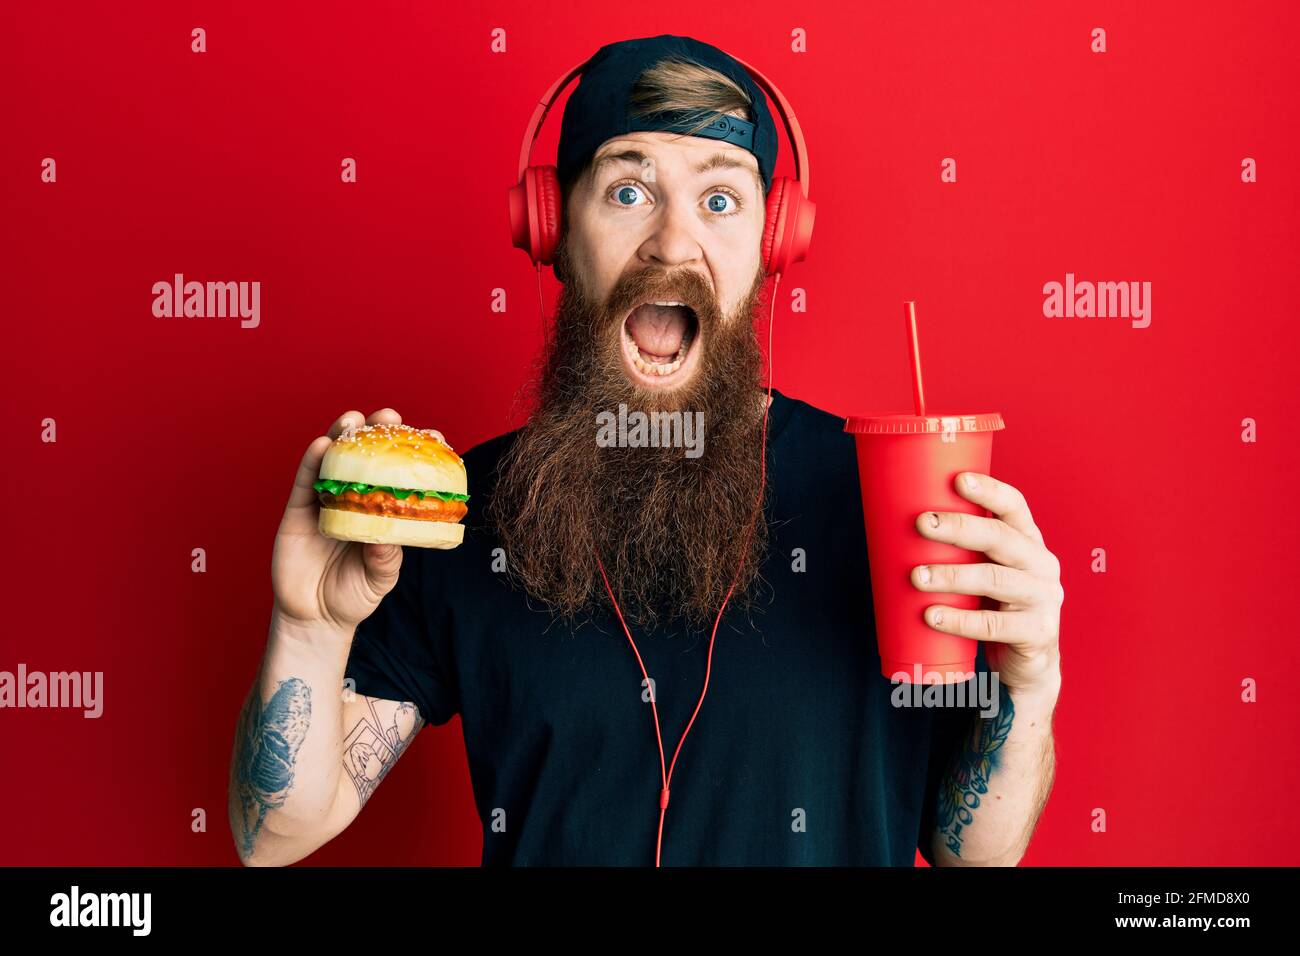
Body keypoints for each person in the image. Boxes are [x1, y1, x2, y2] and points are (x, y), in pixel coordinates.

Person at [228, 34, 1063, 867]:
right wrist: (309, 626)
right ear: (550, 229)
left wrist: (1028, 684)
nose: (671, 243)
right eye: (627, 191)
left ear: (774, 244)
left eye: (720, 201)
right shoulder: (460, 515)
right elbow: (273, 835)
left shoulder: (884, 501)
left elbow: (975, 854)